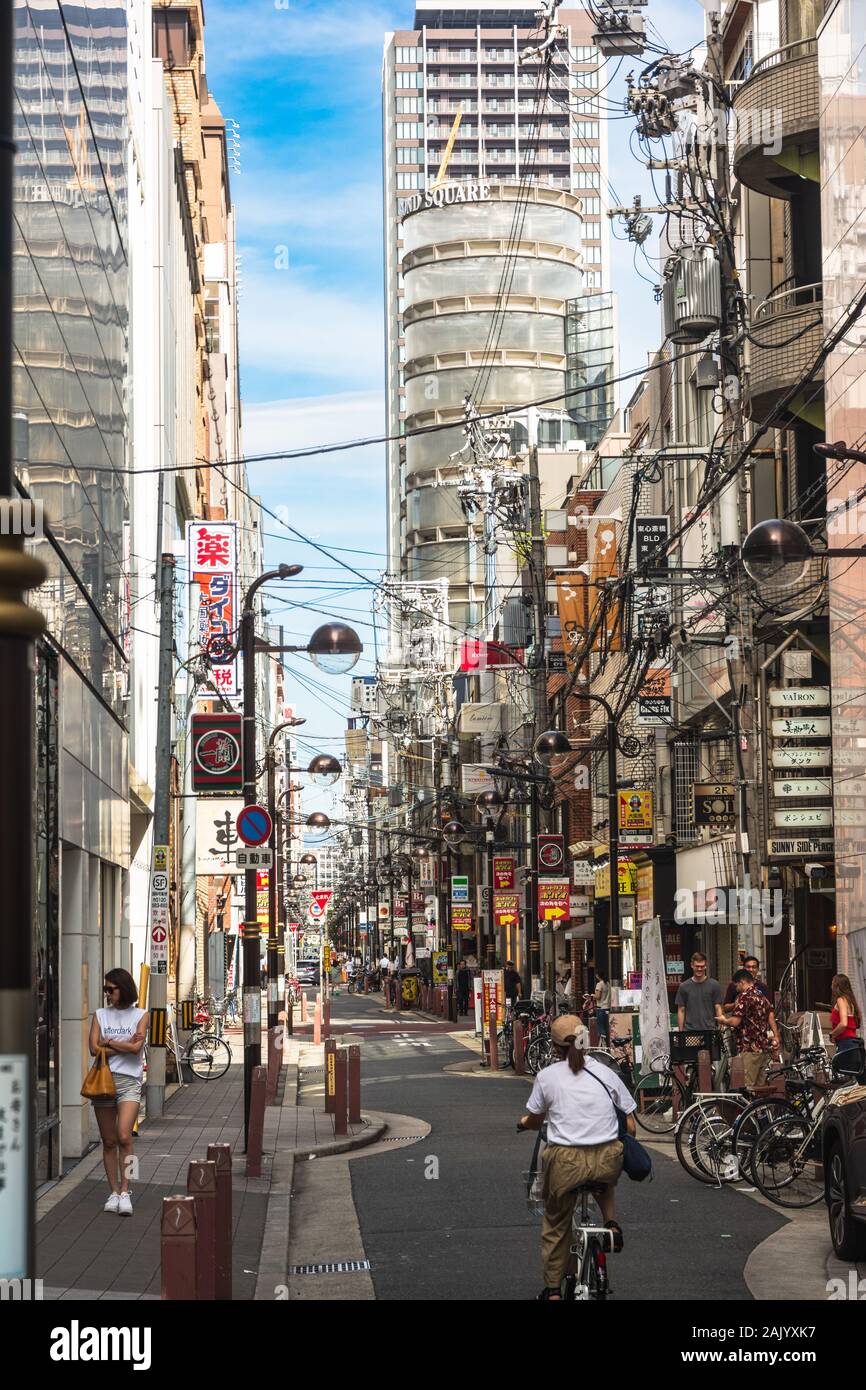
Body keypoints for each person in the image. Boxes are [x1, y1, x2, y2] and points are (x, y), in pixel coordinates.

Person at [518, 1015, 636, 1300]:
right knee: (604, 1171)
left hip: (566, 1164)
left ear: (556, 1047)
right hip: (608, 1160)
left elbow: (535, 1120)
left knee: (556, 1223)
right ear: (587, 1039)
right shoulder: (607, 1073)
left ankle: (553, 1291)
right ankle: (610, 1224)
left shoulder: (547, 1077)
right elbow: (631, 1126)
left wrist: (523, 1122)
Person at [88, 969, 149, 1217]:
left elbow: (137, 1050)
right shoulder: (100, 1015)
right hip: (103, 1082)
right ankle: (113, 1191)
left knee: (125, 1135)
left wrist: (108, 1043)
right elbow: (93, 1049)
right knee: (109, 1141)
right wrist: (124, 1046)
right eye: (105, 989)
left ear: (123, 988)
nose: (107, 994)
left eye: (110, 989)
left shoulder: (141, 1014)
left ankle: (127, 1190)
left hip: (130, 1082)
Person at [719, 968, 780, 1089]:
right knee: (760, 1088)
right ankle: (761, 1108)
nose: (736, 988)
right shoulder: (761, 995)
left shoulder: (744, 997)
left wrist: (724, 1020)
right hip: (763, 1048)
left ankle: (750, 1108)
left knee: (748, 1087)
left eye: (737, 985)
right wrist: (776, 1035)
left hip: (749, 1048)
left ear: (741, 982)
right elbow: (771, 1016)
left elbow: (736, 1021)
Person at [676, 953, 723, 1031]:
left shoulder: (714, 985)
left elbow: (718, 1007)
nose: (699, 969)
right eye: (697, 966)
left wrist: (721, 1027)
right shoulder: (684, 986)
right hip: (689, 1031)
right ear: (692, 965)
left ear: (706, 966)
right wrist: (681, 1032)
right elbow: (681, 1010)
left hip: (710, 1030)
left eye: (702, 966)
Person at [829, 974, 862, 1062]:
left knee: (842, 1072)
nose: (831, 986)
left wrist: (832, 1034)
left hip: (845, 1043)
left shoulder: (841, 1000)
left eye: (832, 983)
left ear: (837, 986)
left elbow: (844, 1023)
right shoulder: (850, 1000)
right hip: (853, 1044)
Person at [594, 973, 611, 1043]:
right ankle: (607, 1044)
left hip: (601, 1008)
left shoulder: (599, 984)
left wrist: (592, 995)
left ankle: (602, 1045)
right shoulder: (608, 984)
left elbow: (598, 997)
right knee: (607, 1027)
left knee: (601, 1029)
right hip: (607, 1008)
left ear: (597, 976)